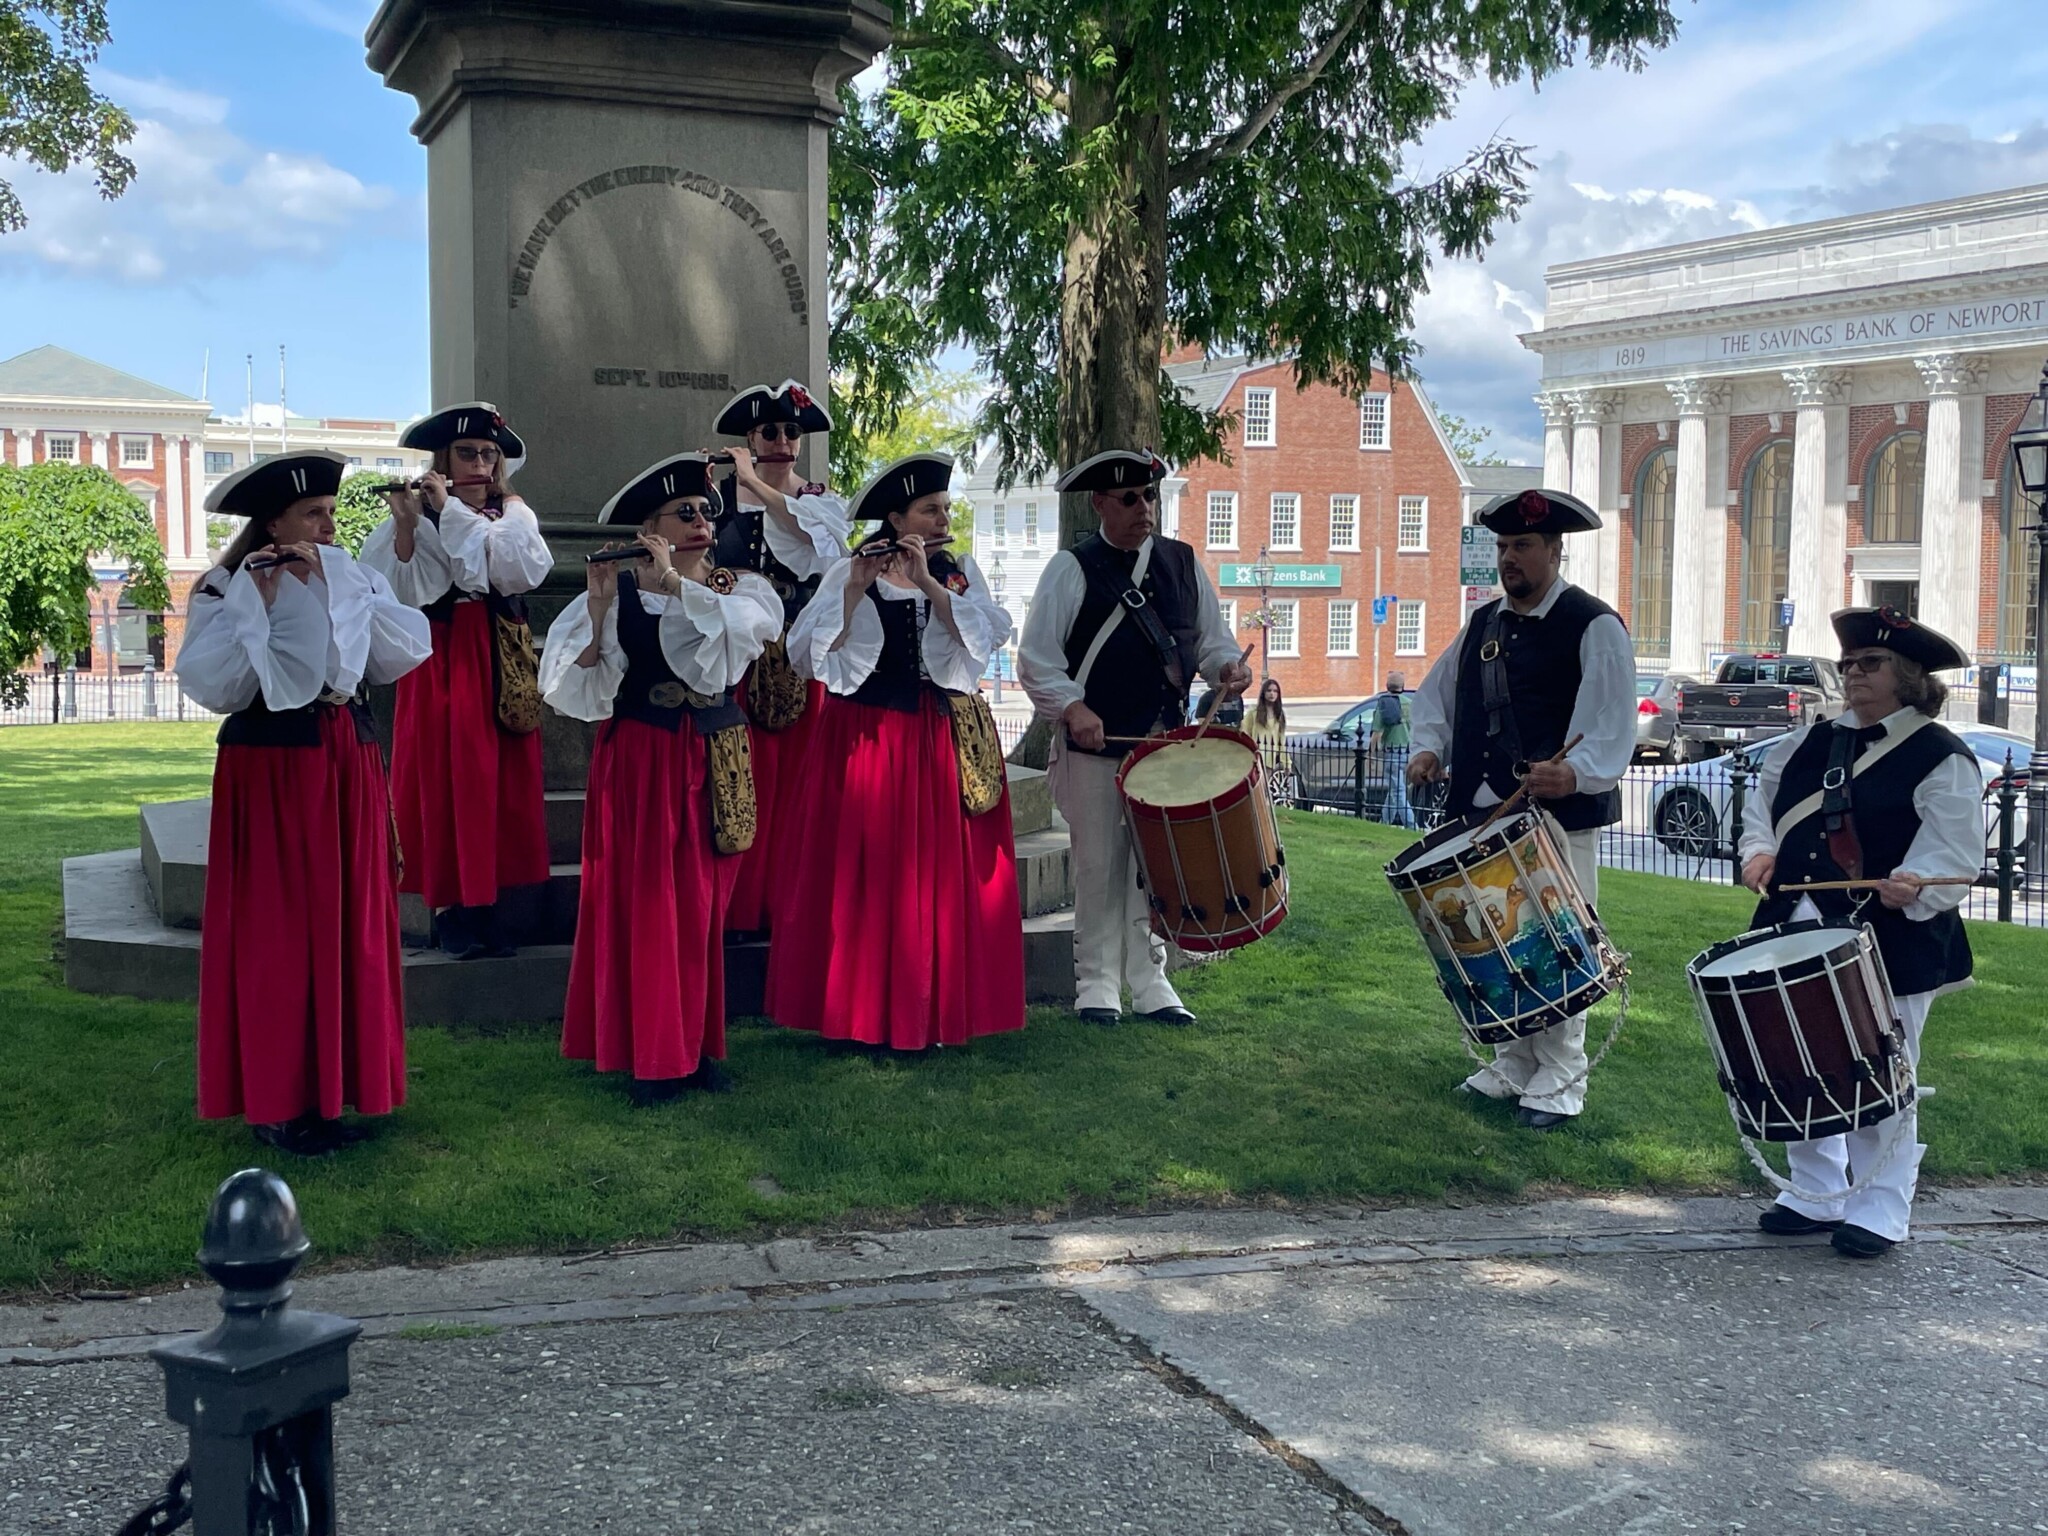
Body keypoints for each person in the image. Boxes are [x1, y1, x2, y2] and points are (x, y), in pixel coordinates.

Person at [177, 450, 433, 1155]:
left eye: (328, 512)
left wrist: (332, 590)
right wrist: (256, 606)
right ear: (273, 521)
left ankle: (341, 1087)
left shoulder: (350, 573)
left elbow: (398, 652)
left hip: (345, 755)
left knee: (349, 917)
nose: (326, 526)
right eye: (311, 515)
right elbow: (215, 685)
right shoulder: (224, 585)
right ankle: (277, 1100)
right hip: (270, 765)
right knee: (278, 929)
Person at [1738, 606, 1980, 1259]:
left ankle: (1881, 1205)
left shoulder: (1941, 755)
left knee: (1882, 1068)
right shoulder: (1810, 740)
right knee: (1797, 1058)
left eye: (1868, 664)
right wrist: (1757, 851)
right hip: (1795, 922)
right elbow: (1764, 803)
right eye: (1847, 664)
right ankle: (1816, 1191)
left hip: (1892, 936)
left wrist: (1916, 881)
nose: (1853, 674)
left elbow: (1955, 856)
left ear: (1905, 675)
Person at [538, 454, 781, 1103]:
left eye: (705, 511)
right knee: (649, 907)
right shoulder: (617, 595)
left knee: (699, 910)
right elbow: (577, 689)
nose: (702, 521)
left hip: (712, 756)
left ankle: (695, 1047)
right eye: (685, 513)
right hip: (642, 761)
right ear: (651, 530)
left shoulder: (741, 591)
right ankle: (652, 1054)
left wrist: (676, 584)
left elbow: (737, 645)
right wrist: (594, 617)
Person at [765, 451, 1024, 1051]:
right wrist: (855, 590)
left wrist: (932, 585)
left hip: (936, 738)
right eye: (930, 510)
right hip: (866, 740)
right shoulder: (851, 570)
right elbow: (807, 655)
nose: (942, 520)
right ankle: (859, 1013)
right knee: (866, 875)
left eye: (945, 509)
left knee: (931, 878)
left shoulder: (957, 572)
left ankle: (928, 1012)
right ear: (896, 517)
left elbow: (987, 637)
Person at [1408, 488, 1635, 1129]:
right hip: (1482, 815)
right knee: (1493, 943)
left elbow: (1611, 724)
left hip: (1555, 820)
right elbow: (1438, 695)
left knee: (1560, 944)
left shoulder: (1593, 625)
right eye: (1503, 547)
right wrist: (1427, 748)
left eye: (1523, 547)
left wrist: (1576, 774)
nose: (1510, 559)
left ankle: (1561, 1075)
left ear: (1555, 552)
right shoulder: (1483, 622)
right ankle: (1513, 1062)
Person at [1017, 448, 1251, 1028]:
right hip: (1095, 750)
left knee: (1153, 869)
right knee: (1098, 867)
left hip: (1162, 748)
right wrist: (1073, 708)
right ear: (1100, 504)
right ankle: (1095, 984)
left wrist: (1226, 668)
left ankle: (1150, 981)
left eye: (1150, 496)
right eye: (1129, 498)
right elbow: (1036, 659)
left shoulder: (1182, 563)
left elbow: (1209, 641)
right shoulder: (1071, 568)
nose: (1144, 508)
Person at [360, 403, 553, 960]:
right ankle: (451, 914)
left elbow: (507, 571)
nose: (479, 464)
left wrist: (455, 512)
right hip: (445, 653)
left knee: (498, 778)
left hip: (500, 654)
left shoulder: (510, 514)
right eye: (466, 453)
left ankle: (487, 907)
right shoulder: (418, 516)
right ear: (443, 460)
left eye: (488, 454)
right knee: (451, 773)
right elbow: (400, 589)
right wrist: (405, 526)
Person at [709, 380, 851, 938]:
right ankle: (738, 908)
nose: (783, 441)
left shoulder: (817, 501)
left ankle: (787, 908)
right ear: (750, 437)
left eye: (793, 431)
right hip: (736, 657)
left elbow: (813, 539)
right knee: (743, 780)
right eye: (770, 431)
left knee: (796, 785)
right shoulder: (713, 498)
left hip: (794, 656)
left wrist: (752, 482)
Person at [1368, 672, 1417, 829]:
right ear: (1402, 686)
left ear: (1387, 686)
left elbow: (1377, 733)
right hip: (1409, 752)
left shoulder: (1385, 704)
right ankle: (1384, 824)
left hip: (1393, 752)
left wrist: (1371, 755)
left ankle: (1412, 826)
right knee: (1395, 790)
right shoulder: (1410, 704)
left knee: (1398, 791)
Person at [1249, 678, 1291, 783]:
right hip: (1255, 757)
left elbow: (1281, 740)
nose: (1272, 694)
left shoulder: (1279, 714)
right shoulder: (1253, 713)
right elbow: (1244, 732)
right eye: (1269, 690)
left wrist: (1286, 762)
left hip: (1270, 758)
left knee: (1265, 788)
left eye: (1275, 691)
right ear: (1264, 693)